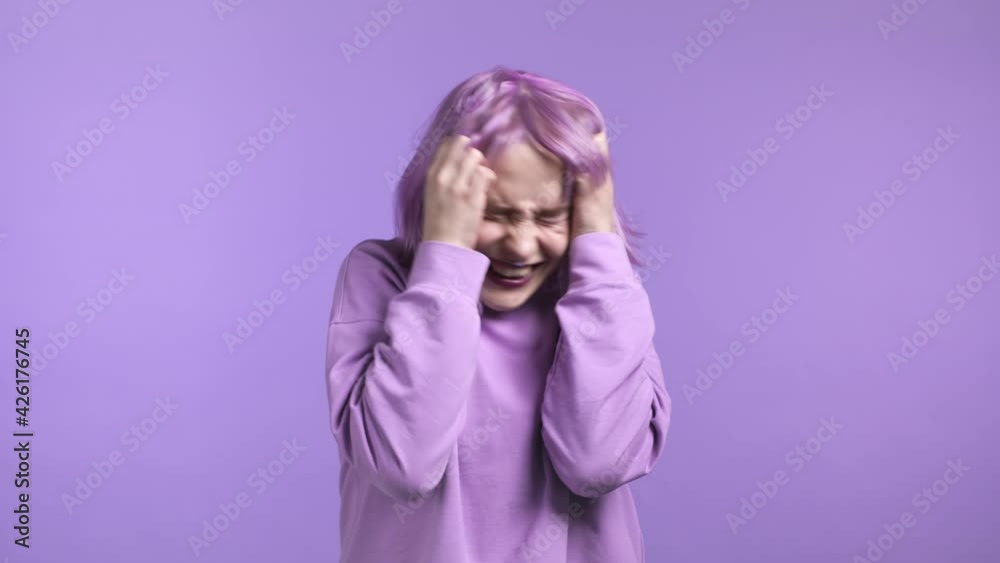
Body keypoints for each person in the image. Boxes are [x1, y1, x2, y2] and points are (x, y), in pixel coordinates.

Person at [325, 66, 671, 562]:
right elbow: (403, 464)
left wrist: (599, 243)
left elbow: (598, 461)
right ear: (444, 195)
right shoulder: (378, 276)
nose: (522, 245)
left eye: (550, 215)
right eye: (495, 213)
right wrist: (444, 258)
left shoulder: (601, 295)